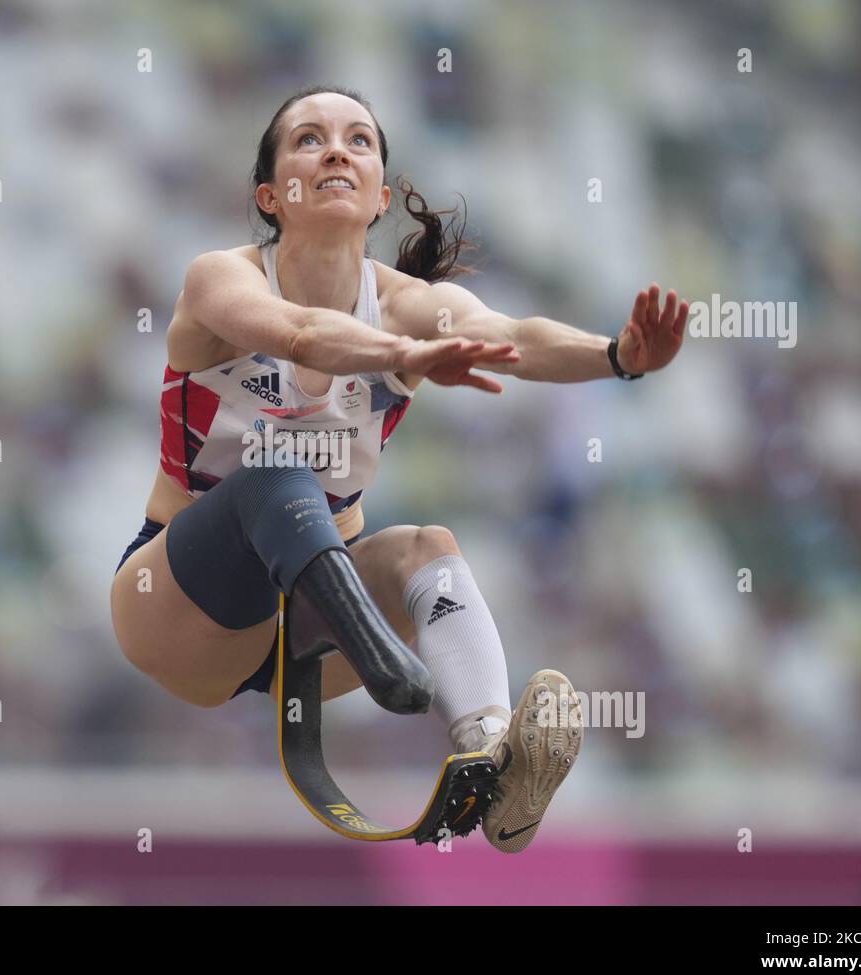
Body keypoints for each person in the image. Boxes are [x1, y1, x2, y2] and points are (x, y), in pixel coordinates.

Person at [110, 84, 687, 852]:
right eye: (309, 140)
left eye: (358, 140)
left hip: (311, 633)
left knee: (428, 549)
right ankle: (397, 677)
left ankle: (494, 757)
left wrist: (617, 356)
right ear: (270, 193)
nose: (337, 151)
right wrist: (404, 357)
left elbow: (513, 335)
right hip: (179, 613)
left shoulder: (409, 304)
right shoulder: (222, 278)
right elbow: (301, 334)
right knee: (275, 483)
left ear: (381, 194)